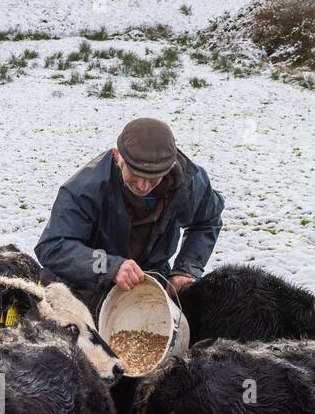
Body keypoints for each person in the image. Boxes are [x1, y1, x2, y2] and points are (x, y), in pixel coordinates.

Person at [35, 117, 224, 313]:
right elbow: (52, 247)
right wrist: (110, 267)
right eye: (135, 173)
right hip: (87, 280)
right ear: (117, 157)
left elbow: (208, 220)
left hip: (150, 276)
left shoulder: (189, 182)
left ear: (169, 167)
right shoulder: (85, 189)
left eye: (153, 178)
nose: (143, 186)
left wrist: (186, 268)